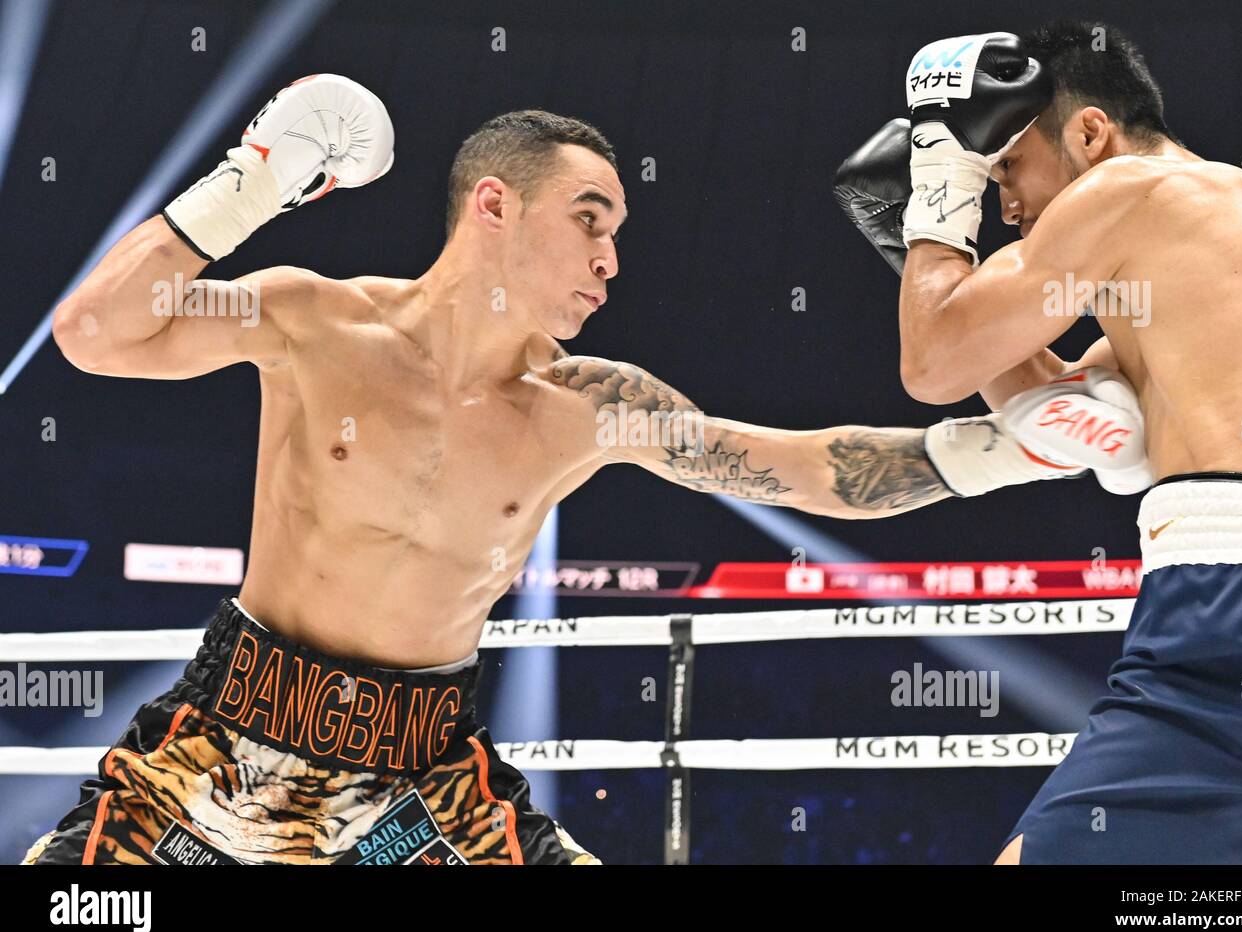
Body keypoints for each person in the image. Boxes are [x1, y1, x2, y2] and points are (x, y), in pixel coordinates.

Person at [28, 74, 1142, 865]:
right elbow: (95, 333)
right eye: (589, 220)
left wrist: (1003, 450)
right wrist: (254, 182)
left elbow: (795, 471)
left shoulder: (587, 406)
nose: (611, 260)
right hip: (221, 744)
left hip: (423, 790)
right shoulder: (311, 320)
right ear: (495, 206)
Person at [835, 20, 1242, 863]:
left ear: (1090, 133)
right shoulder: (1238, 250)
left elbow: (932, 364)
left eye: (1003, 163)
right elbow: (1038, 399)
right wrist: (916, 258)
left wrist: (940, 177)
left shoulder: (1136, 191)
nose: (1002, 204)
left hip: (1239, 607)